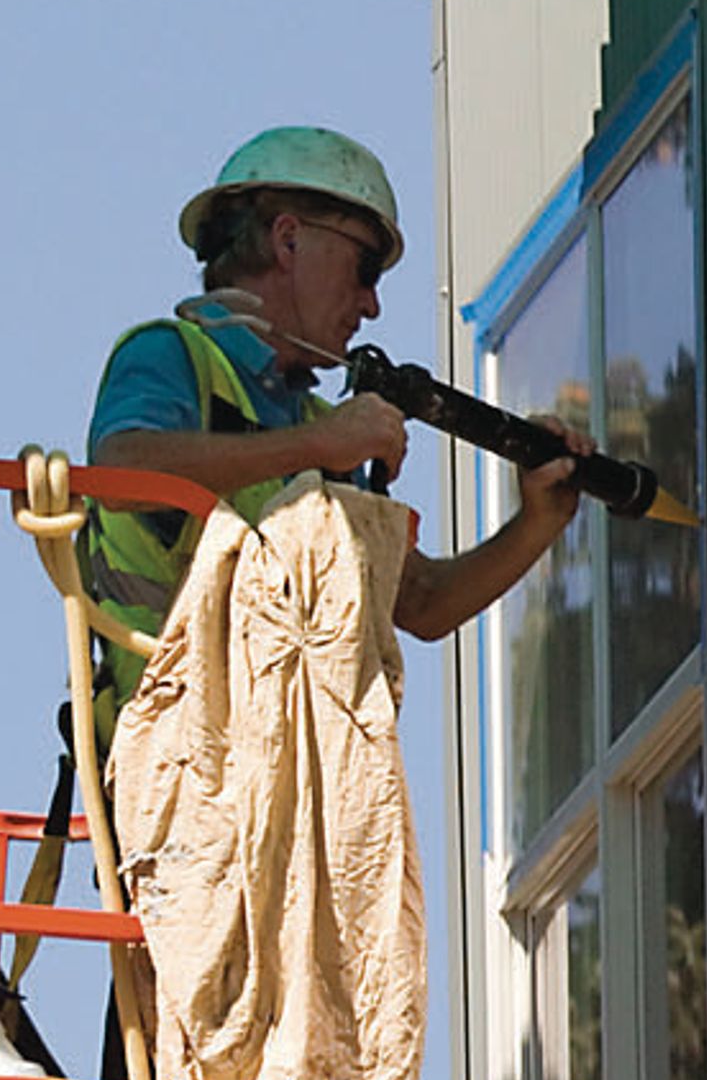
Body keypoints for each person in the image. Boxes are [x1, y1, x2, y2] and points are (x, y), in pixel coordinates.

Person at [80, 125, 583, 728]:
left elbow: (422, 602)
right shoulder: (175, 357)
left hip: (289, 778)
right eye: (364, 268)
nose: (371, 305)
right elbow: (120, 469)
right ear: (288, 240)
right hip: (183, 763)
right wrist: (320, 444)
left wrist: (539, 521)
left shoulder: (323, 430)